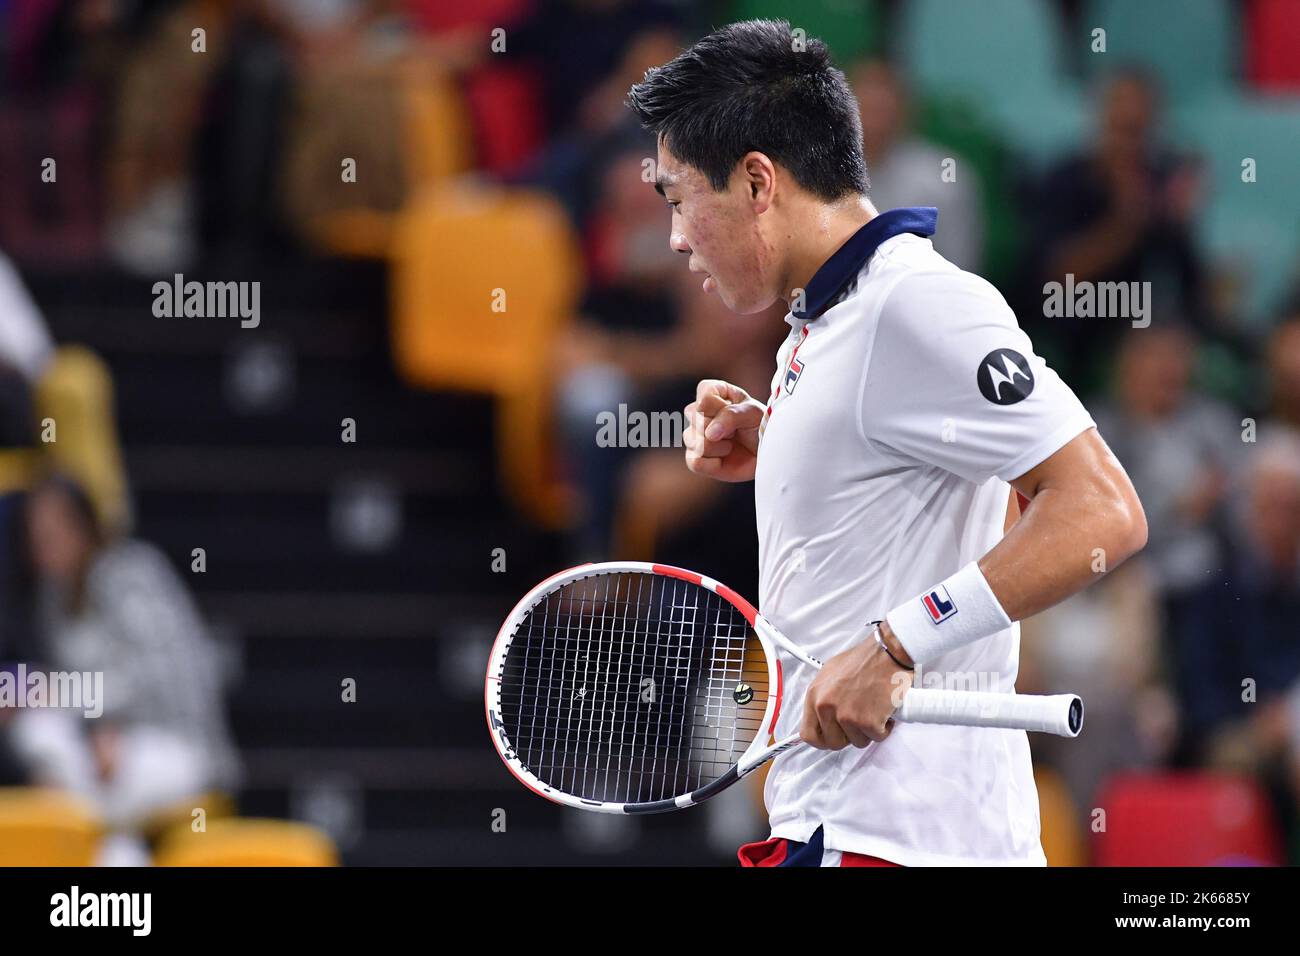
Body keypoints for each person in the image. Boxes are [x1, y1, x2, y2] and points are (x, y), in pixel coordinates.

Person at [626, 20, 1147, 866]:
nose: (677, 236)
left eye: (679, 197)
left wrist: (896, 643)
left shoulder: (914, 304)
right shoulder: (822, 322)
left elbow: (1104, 511)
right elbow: (919, 467)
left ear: (758, 182)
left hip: (905, 838)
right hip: (848, 826)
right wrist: (793, 442)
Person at [12, 474, 240, 864]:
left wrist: (82, 708)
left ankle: (67, 828)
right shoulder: (52, 597)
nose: (42, 546)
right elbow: (78, 702)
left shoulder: (130, 572)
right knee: (37, 729)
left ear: (83, 526)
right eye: (35, 536)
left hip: (176, 742)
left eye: (52, 532)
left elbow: (157, 679)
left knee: (80, 810)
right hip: (102, 754)